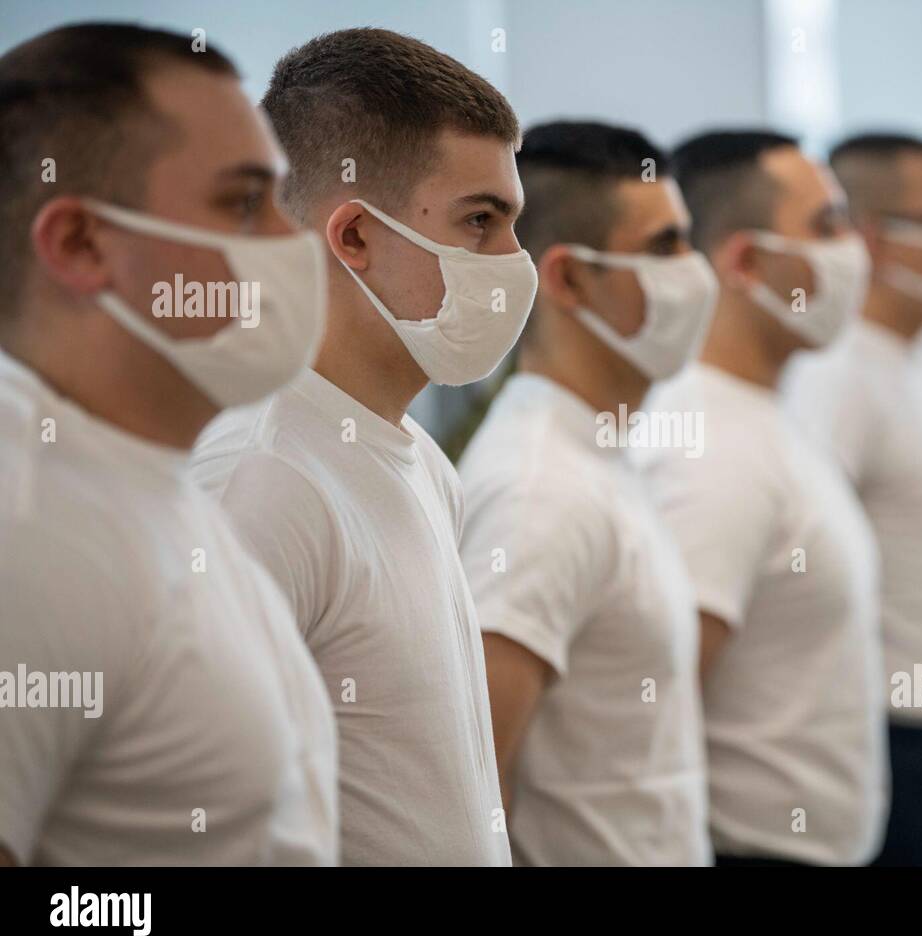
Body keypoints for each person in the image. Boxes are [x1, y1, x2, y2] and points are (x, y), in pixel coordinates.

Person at [190, 28, 531, 865]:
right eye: (480, 221)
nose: (515, 261)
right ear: (354, 238)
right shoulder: (259, 479)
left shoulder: (420, 460)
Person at [0, 24, 337, 865]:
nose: (294, 243)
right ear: (80, 243)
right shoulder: (27, 533)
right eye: (241, 203)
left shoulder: (145, 475)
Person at [457, 121, 713, 866]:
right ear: (568, 279)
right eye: (665, 247)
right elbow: (478, 788)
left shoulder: (596, 456)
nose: (695, 273)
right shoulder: (541, 491)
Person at [637, 130, 888, 866]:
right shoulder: (708, 447)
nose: (853, 252)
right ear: (744, 261)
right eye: (827, 227)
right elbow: (662, 703)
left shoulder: (765, 414)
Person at [784, 133, 922, 866]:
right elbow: (808, 576)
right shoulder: (840, 376)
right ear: (879, 241)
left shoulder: (910, 366)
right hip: (906, 744)